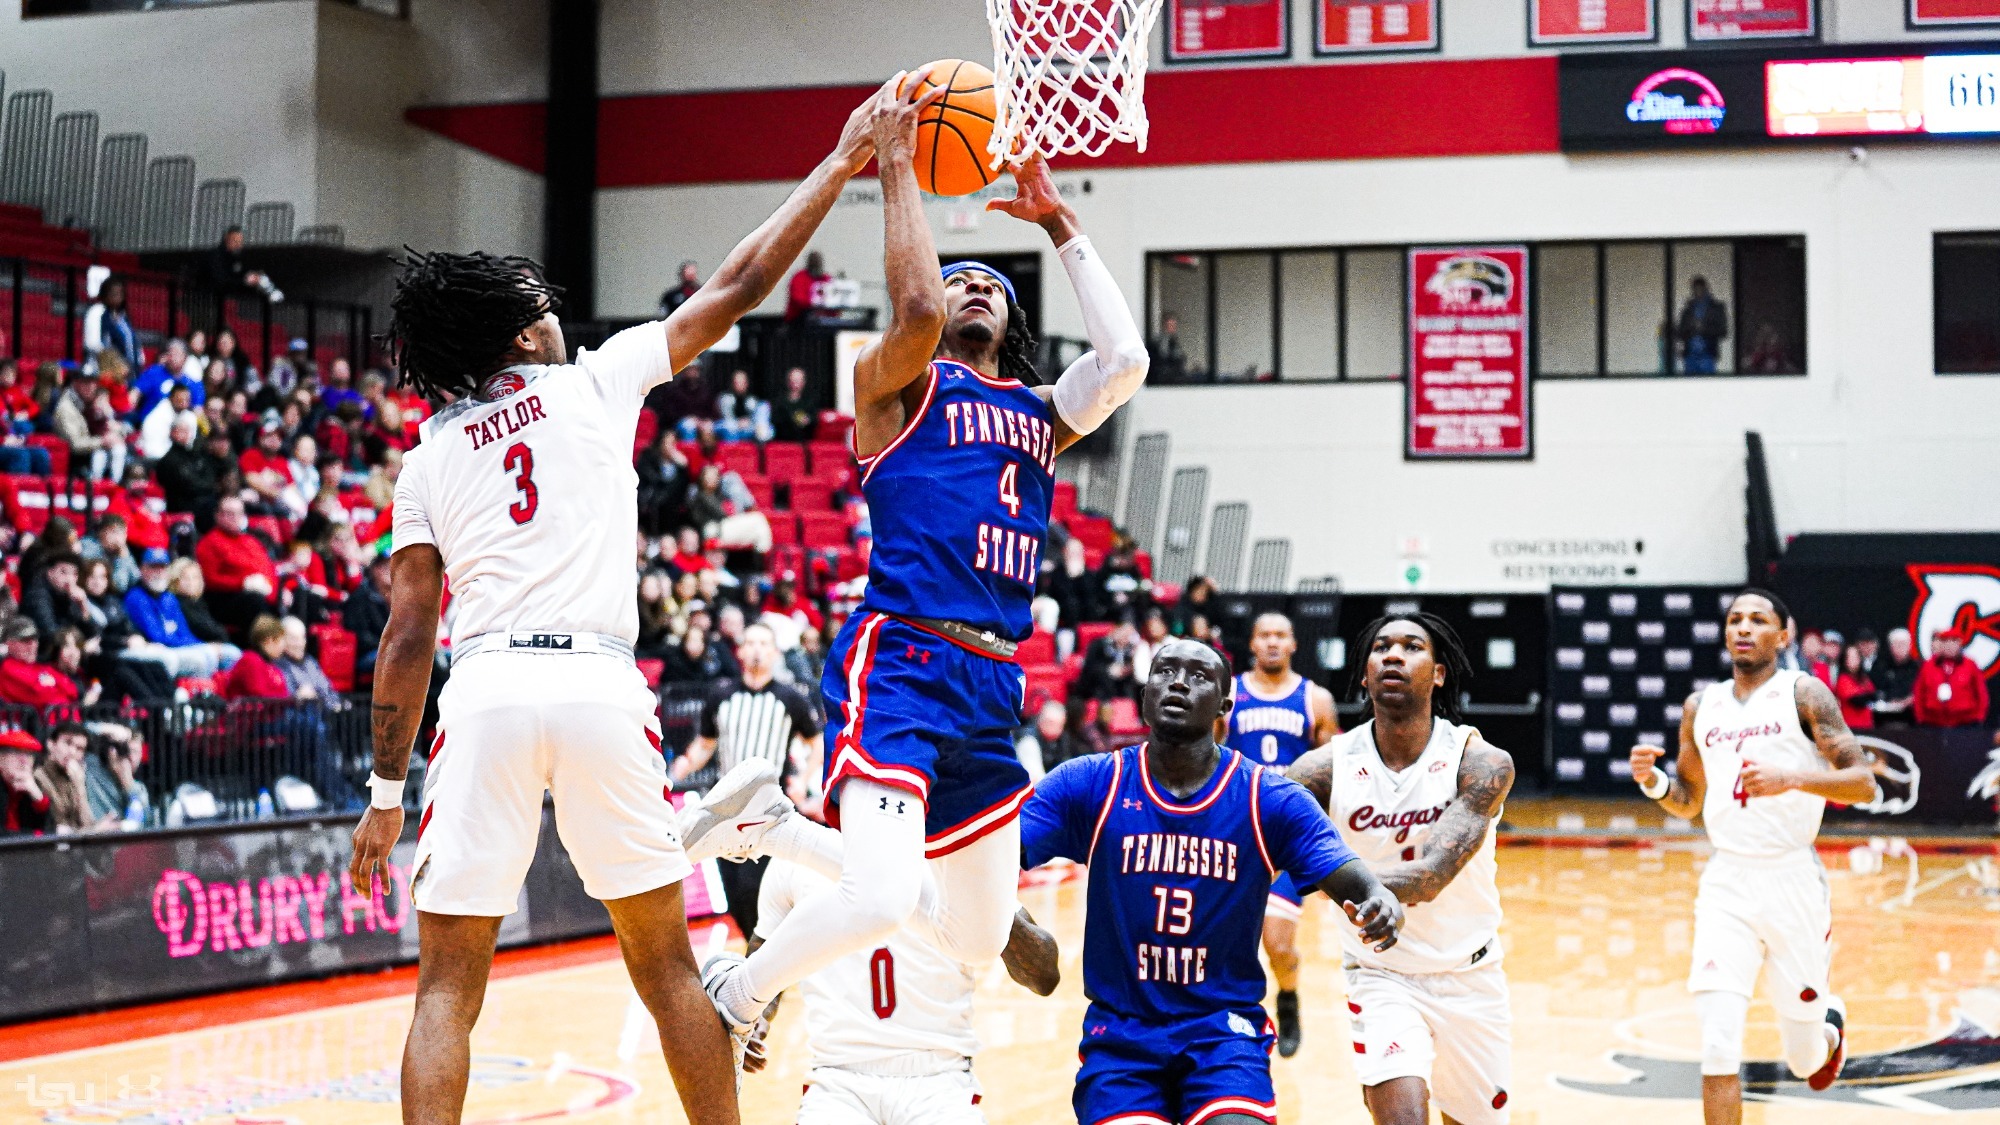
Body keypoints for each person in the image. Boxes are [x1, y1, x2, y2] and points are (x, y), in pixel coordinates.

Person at [344, 76, 893, 1123]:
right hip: (598, 684)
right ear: (520, 338)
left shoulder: (426, 456)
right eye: (541, 308)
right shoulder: (596, 381)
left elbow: (408, 635)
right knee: (668, 968)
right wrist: (838, 162)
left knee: (446, 991)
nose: (556, 316)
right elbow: (740, 282)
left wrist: (383, 791)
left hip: (487, 691)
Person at [683, 77, 1154, 1045]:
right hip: (901, 657)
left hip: (993, 680)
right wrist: (896, 161)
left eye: (993, 285)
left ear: (1013, 325)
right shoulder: (896, 386)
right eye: (960, 278)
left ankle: (775, 825)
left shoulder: (1039, 415)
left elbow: (1125, 363)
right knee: (882, 895)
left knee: (977, 940)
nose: (973, 287)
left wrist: (1060, 222)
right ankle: (737, 991)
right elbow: (913, 311)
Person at [1024, 639, 1401, 1125]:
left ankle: (1288, 1000)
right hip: (1120, 1036)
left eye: (1199, 676)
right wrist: (1012, 925)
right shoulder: (1089, 782)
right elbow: (995, 855)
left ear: (1225, 706)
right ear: (1144, 694)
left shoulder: (1270, 798)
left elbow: (1354, 878)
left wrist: (1378, 899)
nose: (1179, 683)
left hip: (1224, 1033)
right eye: (1165, 672)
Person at [1628, 589, 1875, 1124]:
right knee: (1718, 1043)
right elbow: (1689, 802)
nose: (1744, 627)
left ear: (1783, 636)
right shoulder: (1701, 707)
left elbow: (1864, 783)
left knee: (1804, 1060)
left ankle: (1828, 1030)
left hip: (1792, 880)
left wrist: (1793, 778)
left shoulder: (1804, 693)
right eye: (1735, 619)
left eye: (1758, 620)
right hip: (1727, 882)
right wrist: (1654, 783)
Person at [1288, 614, 1515, 1125]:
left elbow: (1431, 876)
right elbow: (1267, 850)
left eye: (1412, 646)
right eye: (1381, 647)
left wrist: (1333, 879)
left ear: (1438, 674)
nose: (1393, 654)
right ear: (1364, 675)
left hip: (1470, 975)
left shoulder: (1480, 761)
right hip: (1379, 975)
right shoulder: (1320, 771)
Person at [742, 861, 1059, 1125]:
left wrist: (986, 893)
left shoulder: (953, 856)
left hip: (939, 1079)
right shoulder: (796, 863)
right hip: (838, 1080)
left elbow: (1044, 977)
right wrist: (753, 1020)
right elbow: (760, 965)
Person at [1222, 611, 1341, 1057]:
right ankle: (1228, 1020)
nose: (1272, 642)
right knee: (1224, 942)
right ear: (1252, 643)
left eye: (1280, 635)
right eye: (1264, 635)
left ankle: (1287, 997)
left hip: (1287, 840)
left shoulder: (1316, 700)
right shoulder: (1229, 693)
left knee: (1277, 944)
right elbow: (1208, 758)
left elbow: (1331, 778)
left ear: (1293, 643)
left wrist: (1326, 848)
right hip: (1237, 835)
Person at [670, 622, 824, 936]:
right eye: (750, 643)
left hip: (771, 811)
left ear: (775, 653)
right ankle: (759, 955)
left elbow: (817, 744)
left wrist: (803, 780)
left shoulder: (790, 698)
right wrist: (673, 774)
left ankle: (768, 958)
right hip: (725, 810)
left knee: (759, 890)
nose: (756, 650)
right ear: (739, 651)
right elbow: (704, 746)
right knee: (734, 894)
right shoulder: (721, 695)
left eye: (763, 644)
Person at [124, 548, 239, 678]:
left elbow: (184, 632)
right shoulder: (136, 598)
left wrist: (202, 645)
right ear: (142, 570)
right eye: (153, 567)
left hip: (179, 647)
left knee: (231, 654)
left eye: (162, 567)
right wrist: (200, 647)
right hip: (159, 649)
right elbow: (157, 636)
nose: (159, 572)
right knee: (203, 658)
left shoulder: (169, 598)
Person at [196, 496, 280, 634]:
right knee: (254, 601)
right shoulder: (209, 543)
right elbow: (209, 579)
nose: (235, 518)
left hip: (263, 593)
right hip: (228, 599)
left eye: (239, 513)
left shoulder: (251, 541)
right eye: (229, 513)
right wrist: (242, 583)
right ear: (218, 516)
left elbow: (269, 569)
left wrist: (275, 591)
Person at [52, 375, 127, 482]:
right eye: (85, 383)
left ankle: (115, 484)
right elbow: (75, 444)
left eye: (93, 383)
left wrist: (114, 427)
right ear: (76, 384)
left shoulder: (90, 401)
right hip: (77, 461)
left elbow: (112, 425)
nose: (91, 387)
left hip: (94, 450)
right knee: (101, 454)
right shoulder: (66, 408)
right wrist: (103, 441)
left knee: (119, 449)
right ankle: (99, 485)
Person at [1913, 628, 1990, 728]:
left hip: (1965, 723)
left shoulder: (1970, 665)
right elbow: (1919, 692)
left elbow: (1981, 692)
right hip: (1933, 722)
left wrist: (1979, 717)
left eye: (1954, 641)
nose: (1949, 645)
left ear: (1960, 644)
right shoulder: (1928, 665)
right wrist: (1921, 717)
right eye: (1945, 641)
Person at [36, 722, 97, 833]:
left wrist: (80, 787)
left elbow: (88, 823)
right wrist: (95, 830)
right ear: (51, 744)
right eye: (67, 743)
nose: (72, 752)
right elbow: (57, 826)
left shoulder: (75, 778)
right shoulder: (39, 777)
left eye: (79, 748)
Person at [341, 553, 393, 672]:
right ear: (375, 570)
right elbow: (359, 635)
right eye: (386, 567)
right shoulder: (361, 596)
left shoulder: (399, 595)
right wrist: (388, 645)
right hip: (368, 654)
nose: (391, 571)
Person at [82, 277, 141, 375]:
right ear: (104, 294)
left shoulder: (123, 317)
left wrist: (138, 360)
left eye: (120, 293)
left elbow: (131, 341)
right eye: (113, 293)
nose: (117, 296)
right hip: (102, 371)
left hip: (127, 373)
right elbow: (92, 343)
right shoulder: (97, 312)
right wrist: (115, 362)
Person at [0, 730, 53, 836]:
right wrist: (34, 836)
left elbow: (51, 831)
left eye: (29, 754)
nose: (24, 761)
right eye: (16, 752)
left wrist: (38, 798)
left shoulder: (31, 785)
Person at [1676, 275, 1729, 375]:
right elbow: (1680, 332)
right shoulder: (1688, 309)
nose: (1698, 291)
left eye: (1700, 288)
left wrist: (1703, 328)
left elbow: (1723, 331)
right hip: (1690, 354)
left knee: (1707, 383)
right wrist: (1690, 328)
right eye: (1695, 288)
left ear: (1706, 288)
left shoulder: (1717, 307)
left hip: (1707, 354)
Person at [1872, 627, 1920, 726]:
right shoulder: (1880, 666)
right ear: (1890, 647)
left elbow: (1922, 690)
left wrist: (1910, 700)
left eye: (1903, 644)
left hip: (1910, 718)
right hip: (1884, 718)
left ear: (1910, 645)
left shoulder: (1917, 667)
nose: (1900, 648)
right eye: (1897, 644)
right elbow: (1874, 689)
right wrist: (1888, 699)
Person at [714, 369, 773, 443]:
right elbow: (727, 418)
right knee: (728, 427)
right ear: (732, 383)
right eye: (737, 382)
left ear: (746, 384)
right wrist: (738, 423)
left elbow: (755, 418)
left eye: (742, 382)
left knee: (764, 406)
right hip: (731, 427)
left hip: (748, 428)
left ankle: (761, 439)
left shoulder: (752, 400)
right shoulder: (725, 398)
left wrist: (749, 422)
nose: (740, 385)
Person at [1835, 645, 1876, 731]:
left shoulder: (1864, 678)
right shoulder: (1843, 679)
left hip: (1867, 725)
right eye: (1850, 657)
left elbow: (1874, 695)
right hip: (1851, 727)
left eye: (1856, 656)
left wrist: (1867, 696)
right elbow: (1857, 701)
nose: (1854, 660)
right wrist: (1867, 696)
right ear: (1845, 660)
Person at [773, 366, 818, 442]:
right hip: (782, 442)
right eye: (792, 380)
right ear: (787, 382)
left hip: (803, 442)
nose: (794, 384)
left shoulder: (810, 402)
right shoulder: (778, 402)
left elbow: (814, 420)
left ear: (803, 382)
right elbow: (775, 422)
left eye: (798, 380)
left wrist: (808, 420)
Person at [787, 251, 831, 322]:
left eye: (818, 261)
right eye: (814, 261)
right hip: (799, 319)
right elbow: (798, 299)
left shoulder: (826, 279)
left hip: (823, 319)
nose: (816, 263)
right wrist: (816, 302)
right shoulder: (799, 278)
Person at [1147, 313, 1188, 384]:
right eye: (1170, 325)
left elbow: (1180, 358)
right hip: (1163, 377)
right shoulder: (1159, 341)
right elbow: (1163, 356)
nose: (1172, 328)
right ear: (1164, 326)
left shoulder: (1174, 341)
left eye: (1174, 325)